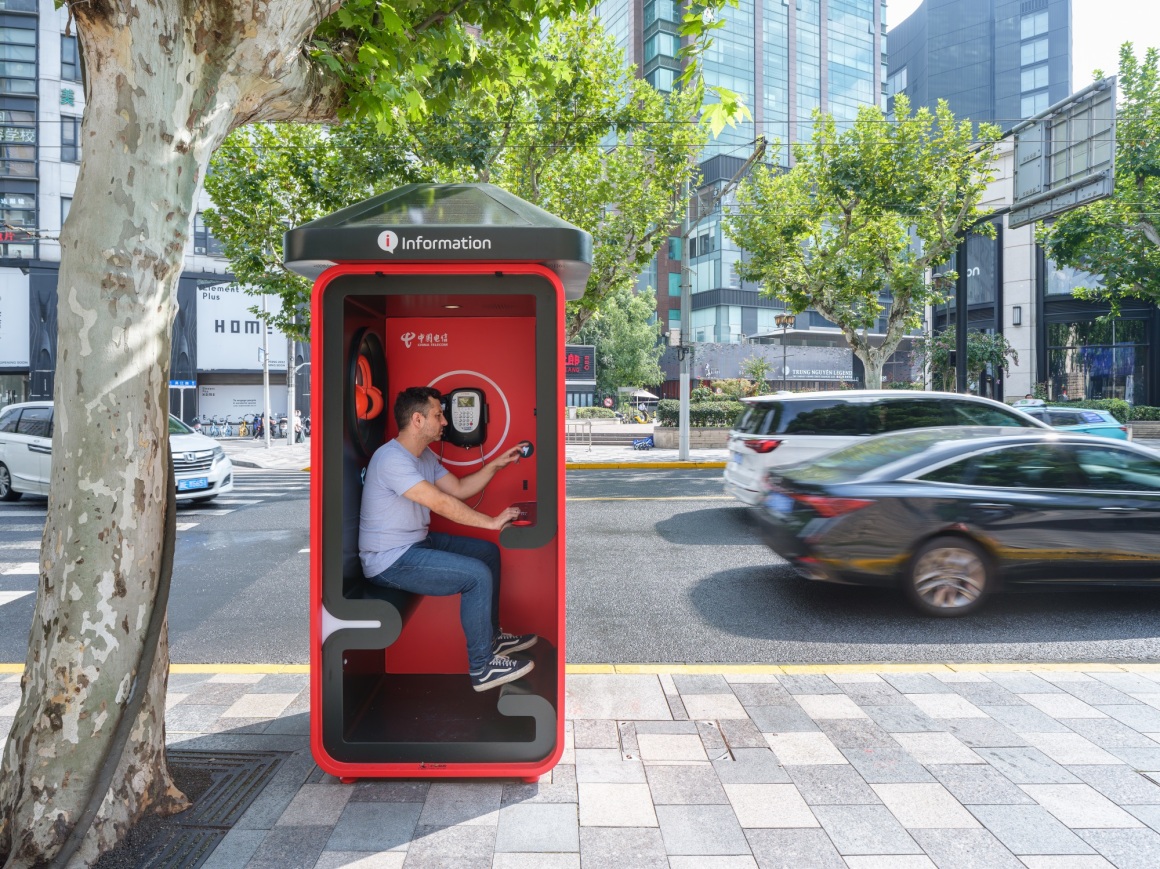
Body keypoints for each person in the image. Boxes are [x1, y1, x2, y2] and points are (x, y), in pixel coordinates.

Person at [359, 386, 536, 692]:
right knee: (476, 576)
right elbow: (441, 503)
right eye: (438, 415)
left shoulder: (423, 455)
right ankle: (482, 668)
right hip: (389, 560)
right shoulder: (391, 459)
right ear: (417, 420)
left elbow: (457, 489)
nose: (444, 422)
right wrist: (491, 522)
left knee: (486, 554)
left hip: (414, 545)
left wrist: (496, 464)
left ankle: (492, 638)